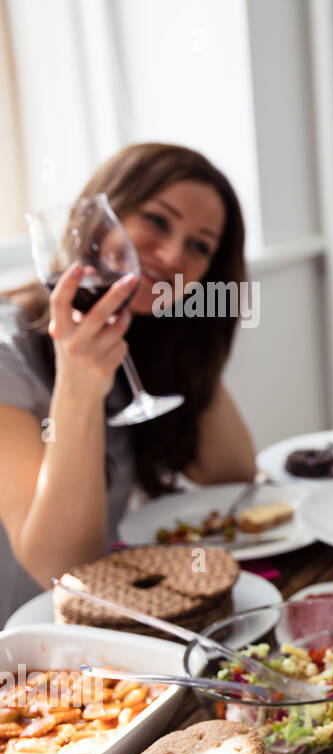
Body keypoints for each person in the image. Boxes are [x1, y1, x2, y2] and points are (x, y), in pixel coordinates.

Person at [0, 143, 257, 621]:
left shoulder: (131, 345)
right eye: (157, 221)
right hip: (25, 653)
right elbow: (60, 567)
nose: (172, 253)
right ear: (100, 213)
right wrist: (77, 387)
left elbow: (231, 473)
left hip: (102, 628)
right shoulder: (7, 354)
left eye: (199, 246)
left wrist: (190, 345)